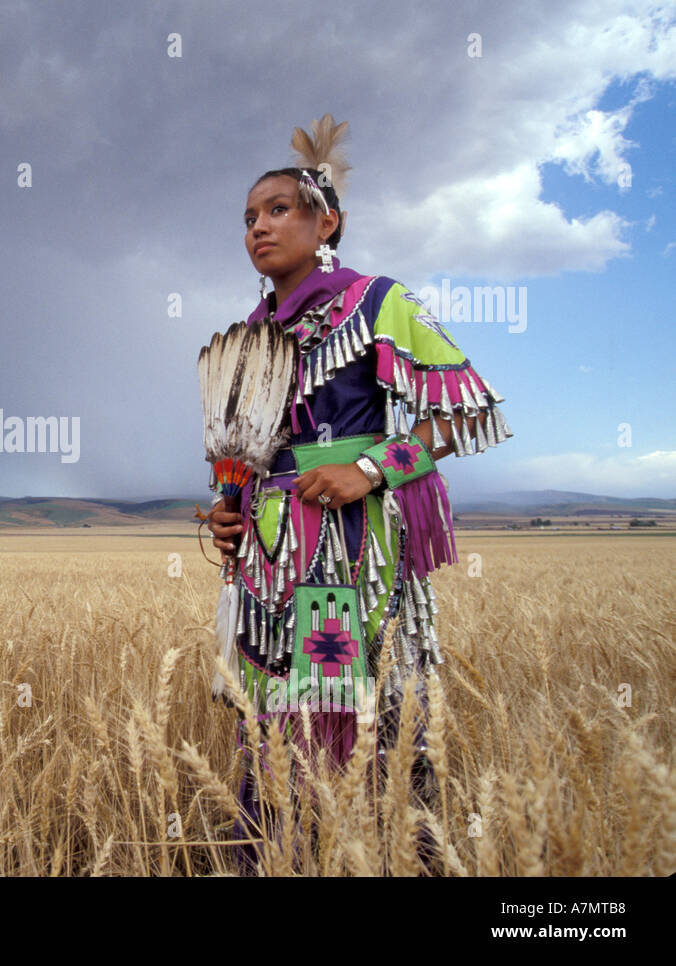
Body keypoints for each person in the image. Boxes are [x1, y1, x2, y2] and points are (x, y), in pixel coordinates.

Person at [203, 114, 513, 874]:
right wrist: (227, 509)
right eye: (248, 217)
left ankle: (386, 858)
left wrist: (369, 470)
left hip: (349, 548)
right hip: (269, 558)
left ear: (326, 219)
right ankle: (278, 862)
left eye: (278, 209)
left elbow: (463, 411)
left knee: (365, 712)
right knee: (270, 724)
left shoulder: (377, 300)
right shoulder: (247, 334)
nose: (258, 227)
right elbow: (243, 449)